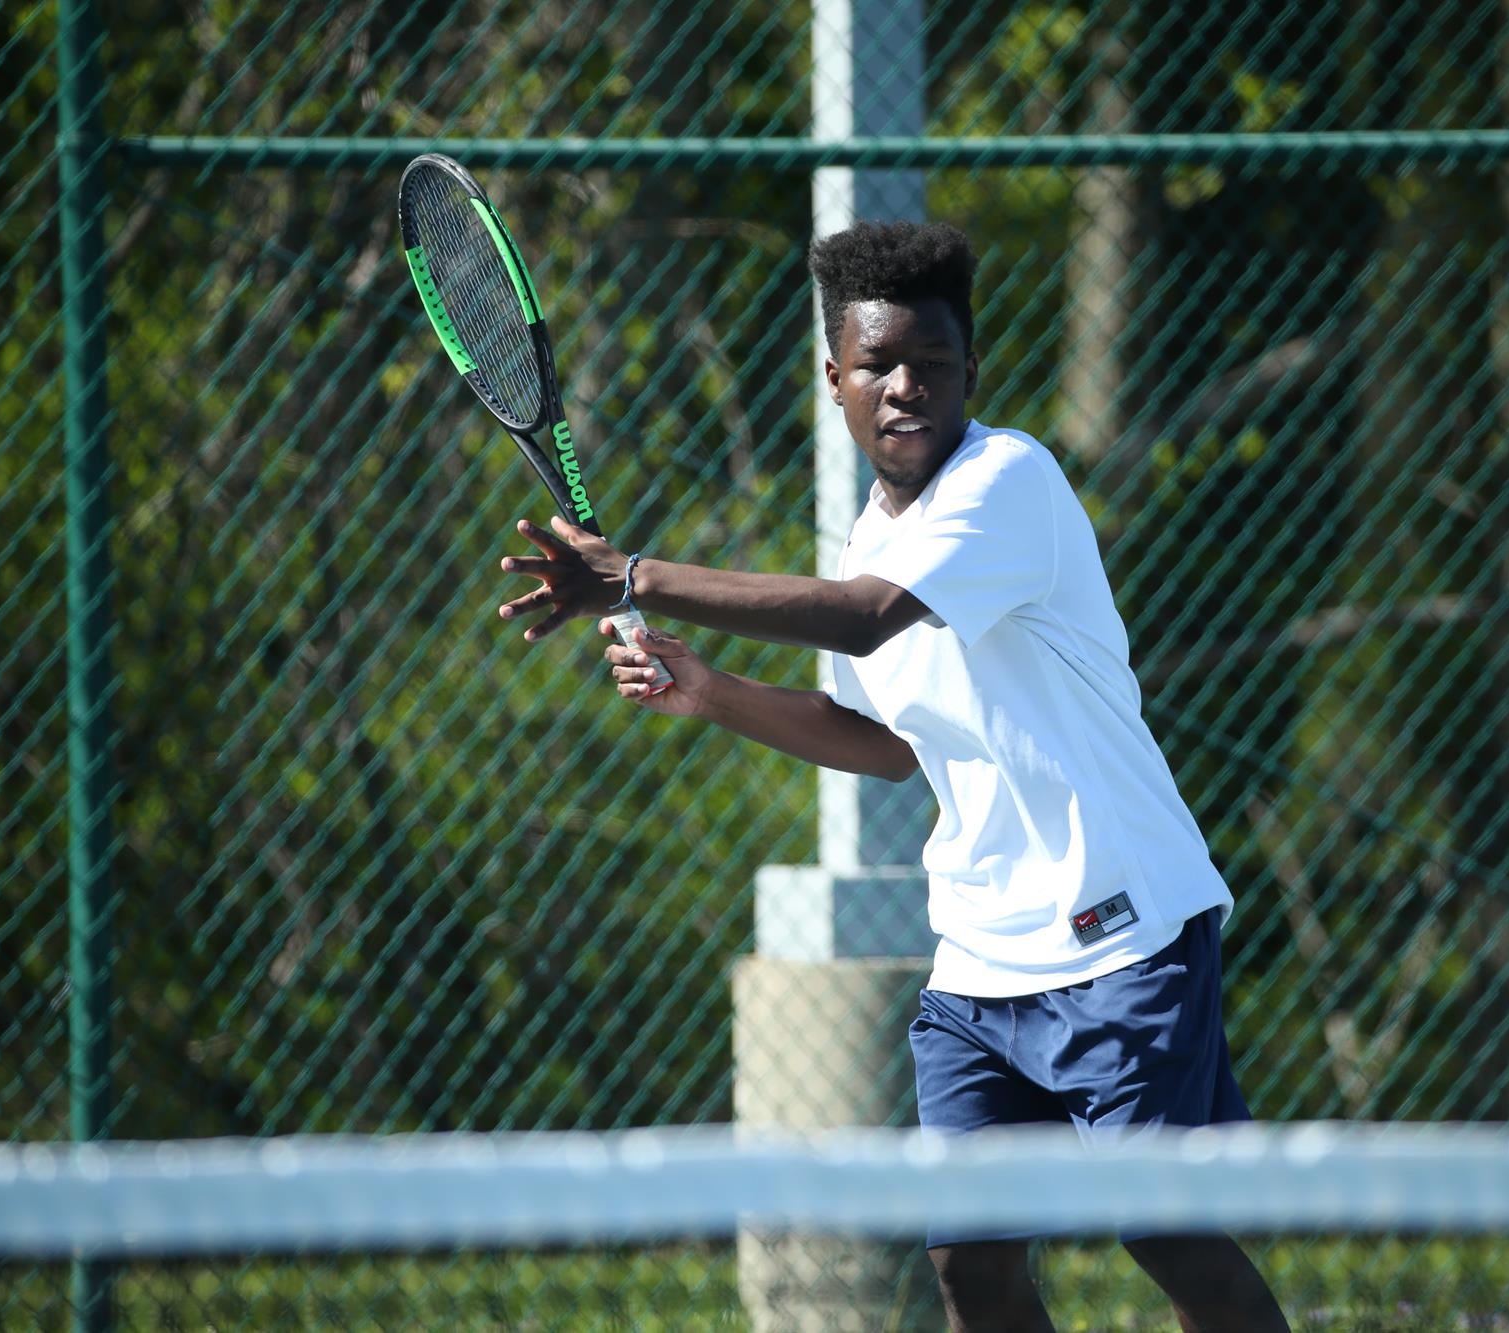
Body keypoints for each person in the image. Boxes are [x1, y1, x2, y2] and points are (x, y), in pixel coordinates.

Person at [496, 221, 1290, 1333]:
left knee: (1159, 1227)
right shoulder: (873, 531)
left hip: (1120, 938)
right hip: (977, 969)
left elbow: (866, 624)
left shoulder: (1006, 480)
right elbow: (884, 738)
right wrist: (709, 691)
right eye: (876, 364)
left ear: (975, 372)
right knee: (967, 1259)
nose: (905, 387)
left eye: (932, 363)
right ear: (833, 378)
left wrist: (632, 576)